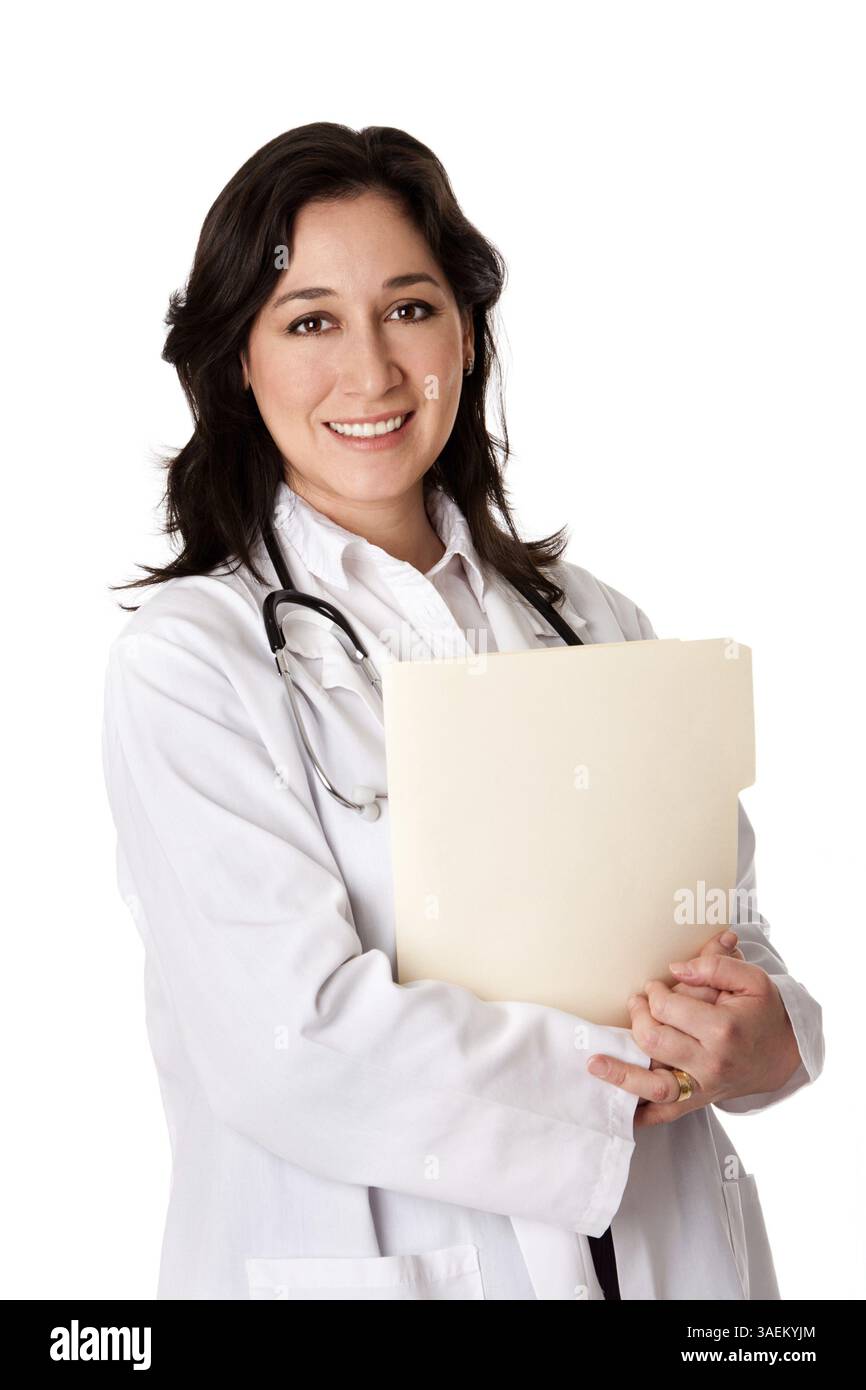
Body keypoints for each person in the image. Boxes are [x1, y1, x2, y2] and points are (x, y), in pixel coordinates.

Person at [101, 122, 824, 1301]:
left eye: (409, 307)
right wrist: (637, 1072)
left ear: (468, 332)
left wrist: (767, 1029)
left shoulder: (597, 623)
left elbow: (718, 929)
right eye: (310, 320)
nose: (372, 371)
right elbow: (294, 1046)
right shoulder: (192, 665)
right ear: (239, 358)